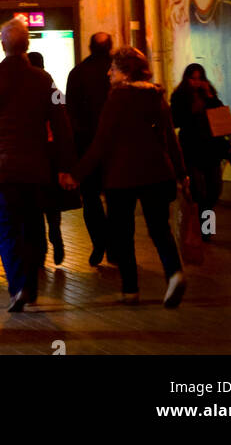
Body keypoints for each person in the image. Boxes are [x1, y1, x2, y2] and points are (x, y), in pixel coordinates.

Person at [0, 19, 72, 312]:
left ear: (2, 45)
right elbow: (61, 122)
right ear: (28, 45)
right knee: (33, 227)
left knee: (7, 229)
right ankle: (31, 289)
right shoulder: (44, 80)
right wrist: (65, 164)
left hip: (0, 168)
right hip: (35, 167)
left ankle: (18, 287)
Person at [73, 46, 189, 308]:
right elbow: (170, 138)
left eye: (113, 67)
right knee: (160, 230)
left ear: (124, 72)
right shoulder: (156, 97)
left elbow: (101, 142)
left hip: (122, 176)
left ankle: (130, 290)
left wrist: (77, 174)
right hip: (158, 172)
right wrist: (182, 174)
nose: (108, 72)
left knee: (122, 233)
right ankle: (174, 273)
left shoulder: (117, 98)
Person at [66, 32, 113, 266]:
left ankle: (99, 242)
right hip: (115, 148)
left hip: (86, 146)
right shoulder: (117, 72)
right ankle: (115, 246)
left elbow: (71, 113)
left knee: (91, 197)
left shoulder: (77, 73)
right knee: (116, 198)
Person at [170, 63, 231, 235]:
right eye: (193, 78)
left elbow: (220, 115)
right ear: (187, 79)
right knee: (198, 191)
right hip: (191, 149)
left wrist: (210, 96)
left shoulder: (209, 96)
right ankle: (204, 229)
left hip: (211, 149)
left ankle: (206, 226)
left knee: (214, 190)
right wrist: (192, 111)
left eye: (199, 78)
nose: (196, 82)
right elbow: (175, 120)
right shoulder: (179, 96)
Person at [28, 53, 77, 267]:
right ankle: (55, 234)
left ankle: (40, 251)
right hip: (53, 153)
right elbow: (63, 122)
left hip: (35, 154)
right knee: (53, 204)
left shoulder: (26, 89)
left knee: (36, 205)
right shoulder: (53, 87)